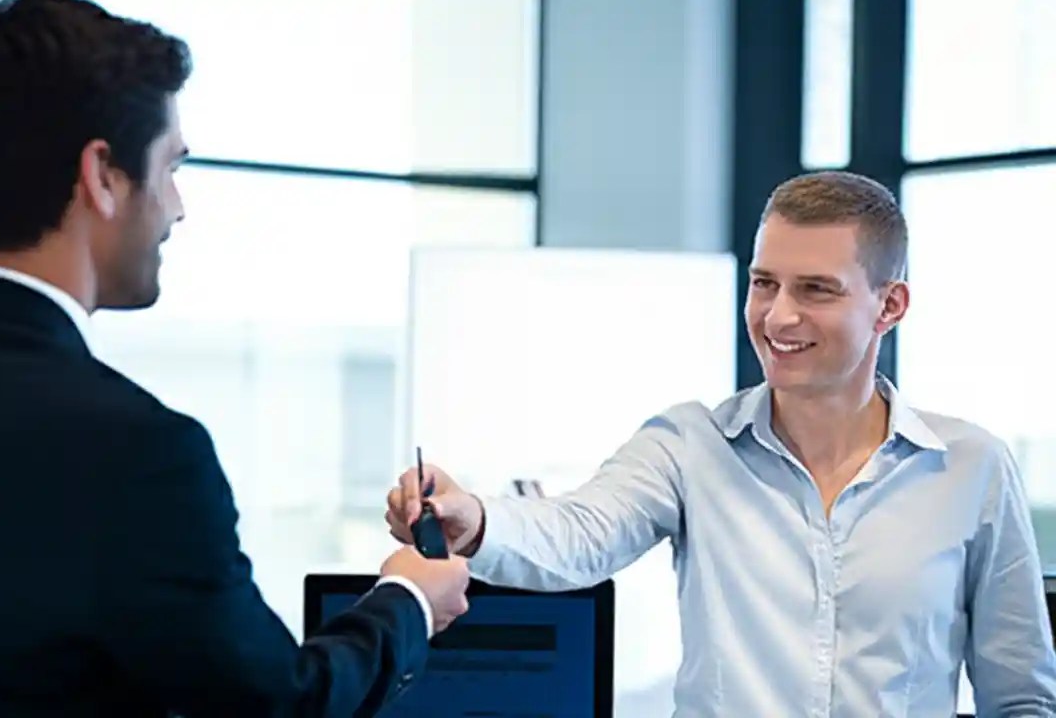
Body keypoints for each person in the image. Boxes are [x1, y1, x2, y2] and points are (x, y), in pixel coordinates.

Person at [0, 0, 471, 716]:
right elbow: (275, 704)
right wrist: (408, 601)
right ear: (102, 174)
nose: (177, 207)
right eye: (170, 167)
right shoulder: (141, 452)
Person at [387, 170, 1056, 716]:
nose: (778, 315)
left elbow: (1021, 697)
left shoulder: (972, 469)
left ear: (890, 306)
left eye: (815, 290)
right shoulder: (689, 445)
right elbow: (578, 535)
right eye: (764, 283)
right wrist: (474, 517)